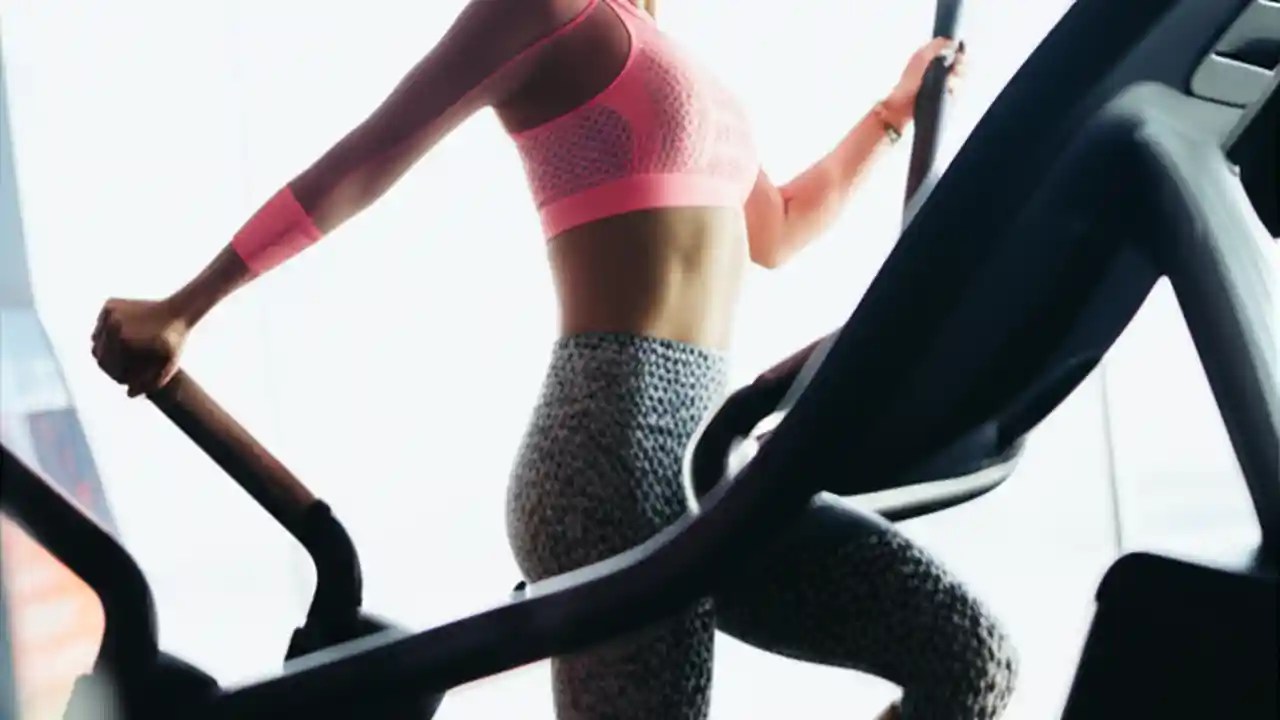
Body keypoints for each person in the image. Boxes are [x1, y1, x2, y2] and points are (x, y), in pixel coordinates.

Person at [90, 0, 1015, 717]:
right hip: (607, 452)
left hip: (711, 463)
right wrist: (187, 305)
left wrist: (887, 118)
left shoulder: (668, 43)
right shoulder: (544, 10)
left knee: (968, 661)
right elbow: (368, 158)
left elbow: (771, 228)